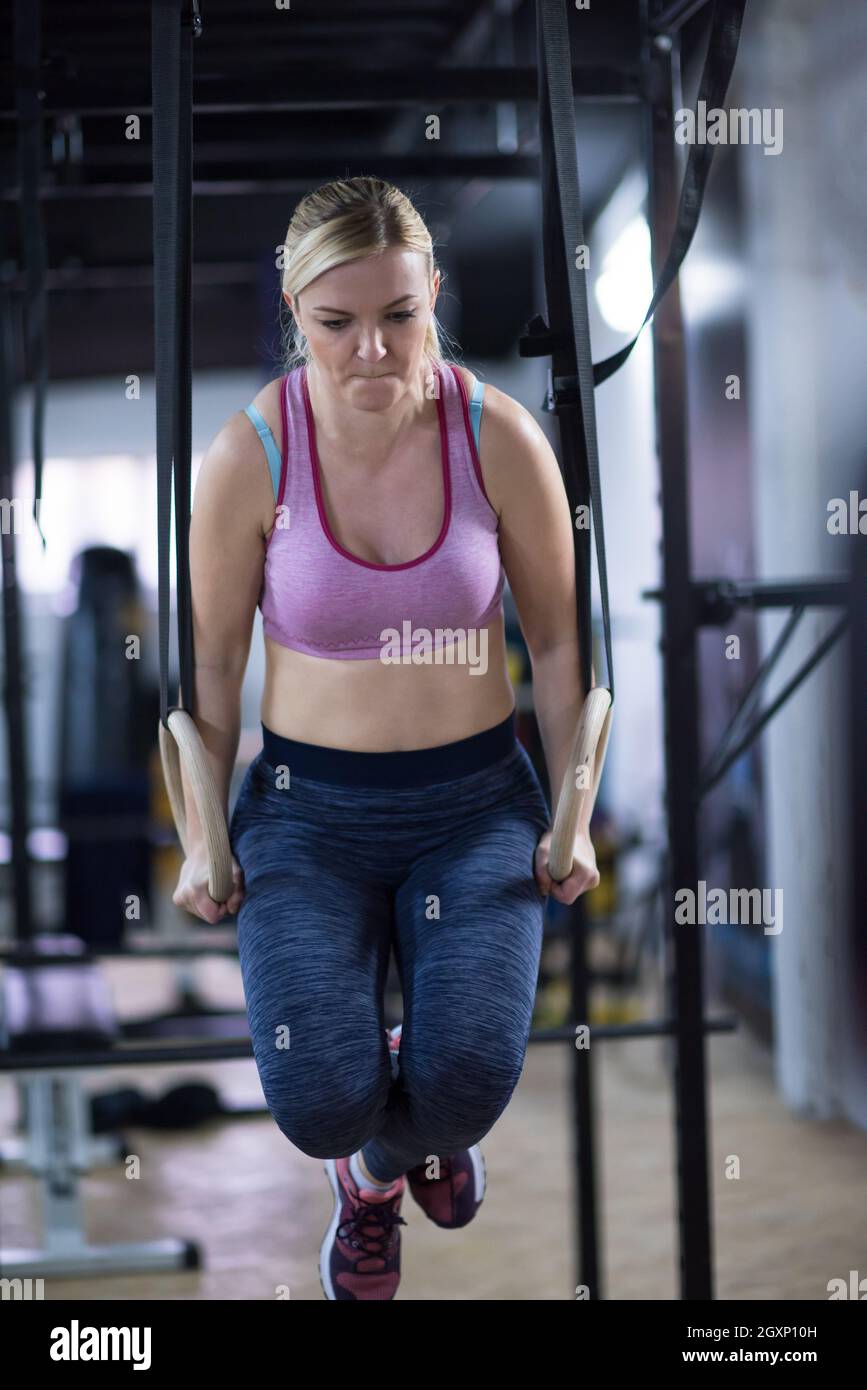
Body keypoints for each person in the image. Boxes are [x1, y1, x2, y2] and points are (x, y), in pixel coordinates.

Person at [172, 176, 599, 1301]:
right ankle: (367, 1159)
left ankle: (393, 1163)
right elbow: (212, 668)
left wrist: (570, 816)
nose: (372, 350)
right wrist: (204, 835)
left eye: (399, 315)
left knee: (463, 1081)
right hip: (309, 818)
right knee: (319, 1095)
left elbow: (557, 651)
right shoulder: (248, 456)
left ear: (434, 296)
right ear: (292, 310)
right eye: (337, 321)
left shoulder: (497, 436)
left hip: (474, 810)